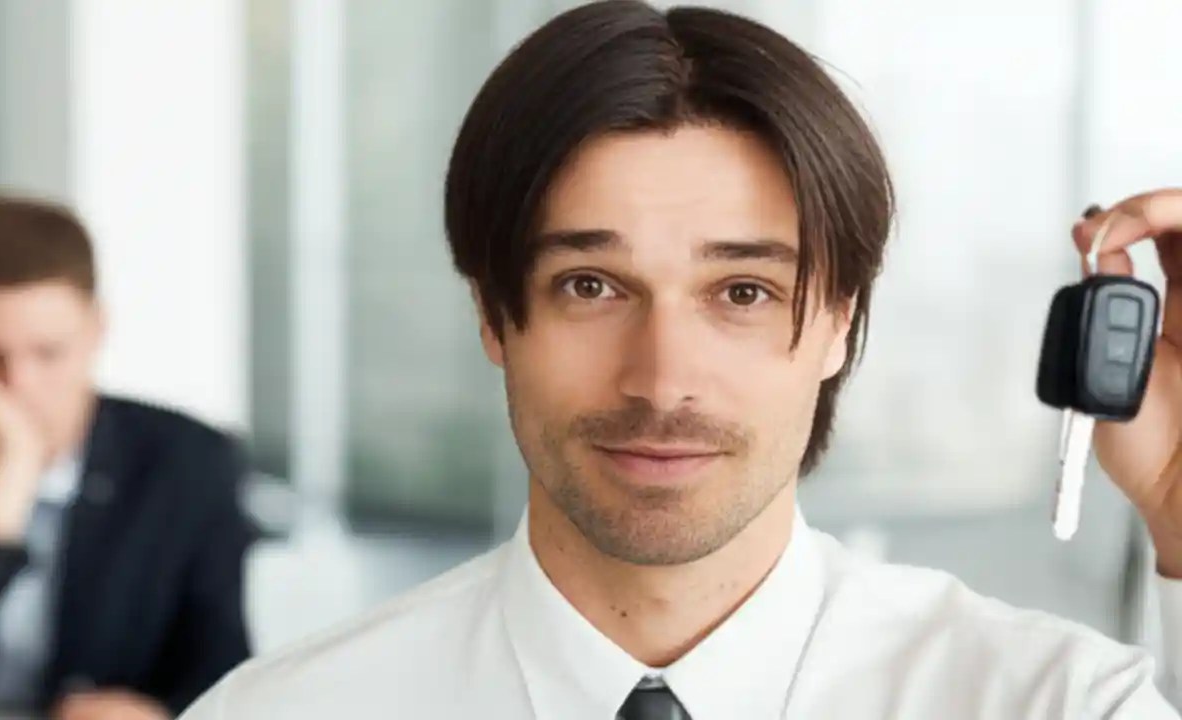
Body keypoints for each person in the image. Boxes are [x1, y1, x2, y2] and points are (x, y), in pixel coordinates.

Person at [182, 2, 1182, 718]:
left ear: (839, 322)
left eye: (741, 293)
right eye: (589, 286)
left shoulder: (1050, 705)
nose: (661, 381)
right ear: (492, 314)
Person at [0, 196, 255, 720]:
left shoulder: (187, 463)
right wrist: (11, 469)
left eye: (48, 353)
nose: (20, 384)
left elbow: (227, 677)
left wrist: (153, 715)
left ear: (96, 329)